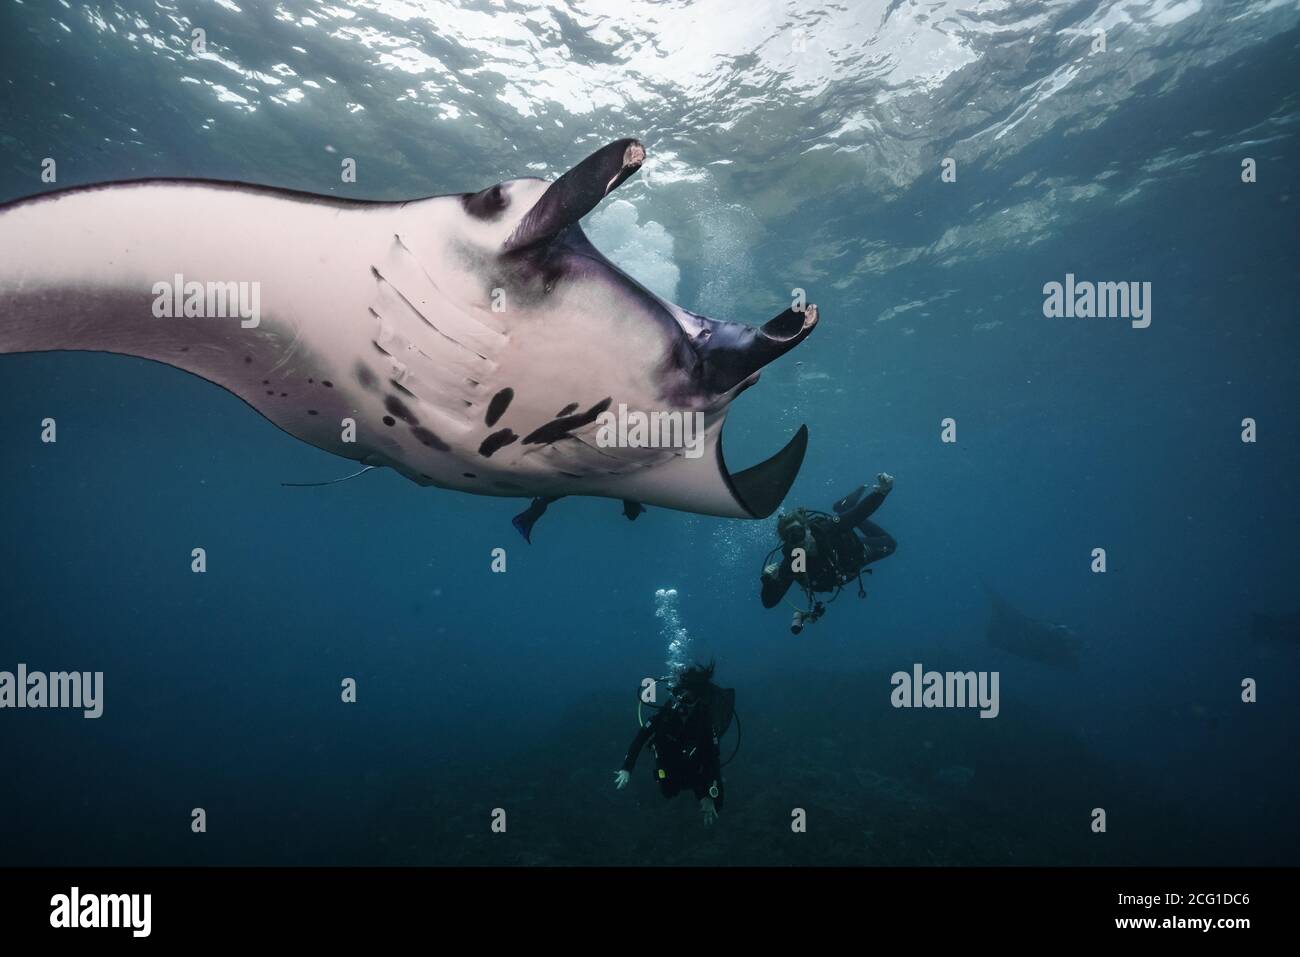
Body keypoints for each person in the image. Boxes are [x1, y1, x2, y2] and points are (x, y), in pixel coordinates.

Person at [760, 472, 897, 633]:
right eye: (792, 538)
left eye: (799, 533)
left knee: (890, 544)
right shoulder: (796, 561)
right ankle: (843, 507)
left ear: (808, 529)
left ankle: (843, 508)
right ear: (788, 543)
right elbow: (769, 602)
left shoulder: (826, 529)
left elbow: (858, 514)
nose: (799, 541)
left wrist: (882, 492)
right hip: (844, 573)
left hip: (857, 556)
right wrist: (769, 582)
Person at [614, 662, 730, 826]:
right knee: (668, 792)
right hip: (668, 771)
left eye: (688, 698)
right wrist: (626, 768)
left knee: (716, 802)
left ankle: (703, 797)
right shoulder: (665, 716)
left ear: (697, 700)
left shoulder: (704, 724)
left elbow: (713, 761)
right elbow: (641, 737)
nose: (682, 702)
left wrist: (710, 797)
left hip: (693, 772)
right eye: (679, 695)